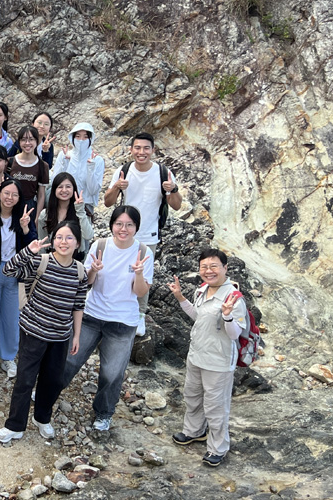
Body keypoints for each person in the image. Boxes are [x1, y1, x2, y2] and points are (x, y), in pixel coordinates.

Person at [60, 205, 153, 431]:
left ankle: (103, 412)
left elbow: (140, 292)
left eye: (129, 224)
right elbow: (88, 283)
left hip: (122, 322)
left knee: (112, 373)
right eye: (119, 224)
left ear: (136, 227)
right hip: (92, 314)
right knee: (69, 360)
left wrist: (139, 273)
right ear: (112, 225)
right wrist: (94, 269)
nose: (124, 229)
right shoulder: (100, 245)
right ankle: (47, 393)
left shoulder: (144, 252)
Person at [0, 221, 89, 443]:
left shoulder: (80, 272)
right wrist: (29, 250)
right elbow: (9, 270)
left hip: (60, 336)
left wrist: (76, 335)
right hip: (33, 331)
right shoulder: (41, 261)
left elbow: (78, 305)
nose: (63, 242)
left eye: (69, 238)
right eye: (59, 237)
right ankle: (15, 425)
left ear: (77, 243)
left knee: (52, 380)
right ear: (53, 241)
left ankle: (42, 418)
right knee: (25, 380)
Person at [167, 249, 247, 467]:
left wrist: (228, 315)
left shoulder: (233, 298)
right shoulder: (202, 290)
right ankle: (194, 431)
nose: (208, 271)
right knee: (192, 396)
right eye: (204, 267)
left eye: (214, 266)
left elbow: (234, 335)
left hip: (218, 362)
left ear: (225, 268)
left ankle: (218, 448)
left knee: (216, 406)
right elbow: (198, 316)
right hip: (197, 355)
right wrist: (180, 297)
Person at [103, 132, 182, 336]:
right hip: (122, 232)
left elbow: (176, 205)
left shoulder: (163, 173)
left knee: (143, 277)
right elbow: (108, 202)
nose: (141, 152)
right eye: (137, 148)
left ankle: (139, 315)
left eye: (146, 148)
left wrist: (172, 189)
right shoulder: (124, 171)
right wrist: (116, 187)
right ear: (131, 150)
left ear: (153, 150)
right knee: (116, 271)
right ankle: (113, 308)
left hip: (148, 234)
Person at [0, 179, 33, 378]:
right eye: (7, 193)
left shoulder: (23, 218)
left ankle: (8, 357)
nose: (10, 198)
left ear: (19, 198)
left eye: (15, 194)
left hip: (14, 272)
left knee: (11, 317)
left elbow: (31, 246)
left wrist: (26, 229)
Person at [51, 122, 105, 220]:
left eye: (85, 137)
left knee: (84, 234)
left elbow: (93, 190)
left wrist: (90, 168)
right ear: (72, 138)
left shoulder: (97, 160)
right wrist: (65, 163)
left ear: (90, 139)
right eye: (78, 136)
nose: (81, 140)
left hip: (86, 205)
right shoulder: (64, 155)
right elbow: (55, 181)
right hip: (63, 204)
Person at [36, 172, 94, 258]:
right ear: (54, 190)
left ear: (74, 189)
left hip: (76, 260)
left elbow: (88, 236)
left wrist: (80, 211)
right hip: (52, 260)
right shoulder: (45, 215)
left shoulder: (82, 212)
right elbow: (43, 242)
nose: (64, 190)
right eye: (60, 187)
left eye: (68, 187)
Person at [7, 124, 49, 229]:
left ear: (37, 141)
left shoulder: (42, 166)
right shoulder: (10, 162)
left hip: (30, 207)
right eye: (24, 139)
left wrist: (37, 217)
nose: (27, 143)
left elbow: (41, 194)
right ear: (19, 142)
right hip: (10, 205)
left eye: (31, 139)